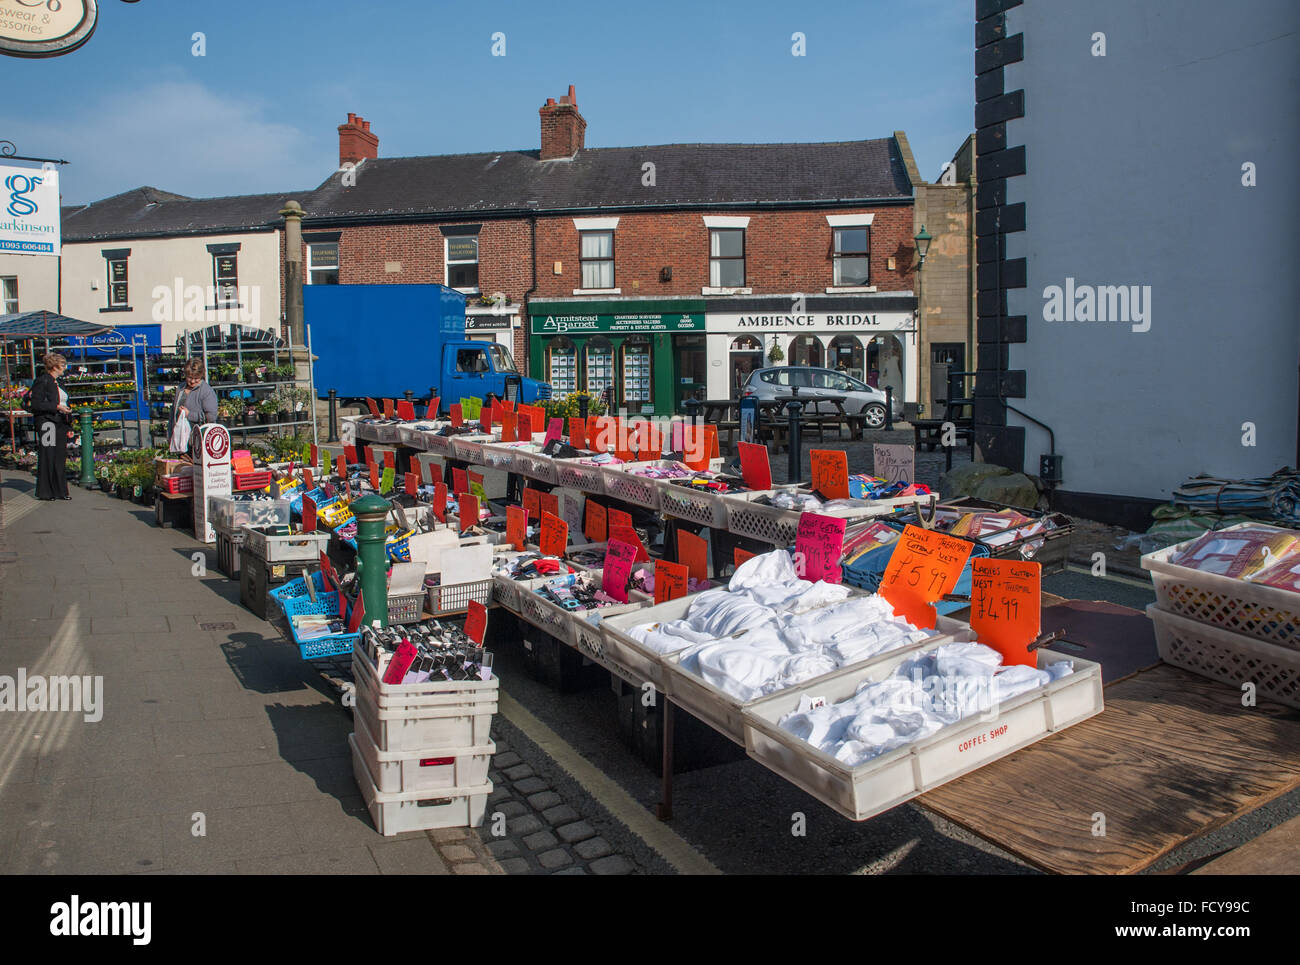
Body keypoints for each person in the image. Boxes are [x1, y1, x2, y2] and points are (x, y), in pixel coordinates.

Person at [30, 352, 73, 500]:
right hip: (47, 422)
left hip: (60, 422)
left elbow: (66, 402)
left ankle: (60, 491)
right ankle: (45, 492)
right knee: (48, 455)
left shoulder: (60, 382)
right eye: (62, 365)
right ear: (54, 367)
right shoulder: (43, 381)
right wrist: (56, 407)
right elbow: (36, 404)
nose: (65, 368)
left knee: (60, 457)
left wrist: (69, 426)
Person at [169, 358, 219, 454]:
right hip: (180, 439)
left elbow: (211, 417)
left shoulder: (206, 391)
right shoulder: (180, 388)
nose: (192, 381)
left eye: (196, 378)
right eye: (189, 377)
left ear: (201, 376)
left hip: (197, 440)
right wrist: (170, 435)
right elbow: (173, 413)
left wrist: (189, 414)